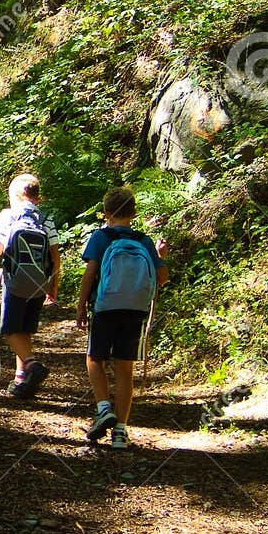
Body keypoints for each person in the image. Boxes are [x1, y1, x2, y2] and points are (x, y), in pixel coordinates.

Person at [76, 186, 169, 449]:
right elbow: (162, 278)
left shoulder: (100, 237)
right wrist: (161, 258)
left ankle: (104, 407)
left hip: (105, 307)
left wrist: (81, 306)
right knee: (125, 368)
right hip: (135, 310)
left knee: (95, 358)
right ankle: (120, 432)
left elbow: (90, 274)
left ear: (106, 213)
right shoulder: (144, 241)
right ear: (134, 212)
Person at [0, 173, 62, 399]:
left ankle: (32, 365)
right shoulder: (45, 219)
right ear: (37, 197)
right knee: (24, 329)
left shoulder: (9, 215)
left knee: (10, 330)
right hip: (39, 282)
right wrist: (53, 284)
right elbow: (55, 256)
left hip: (15, 281)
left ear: (15, 194)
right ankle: (21, 380)